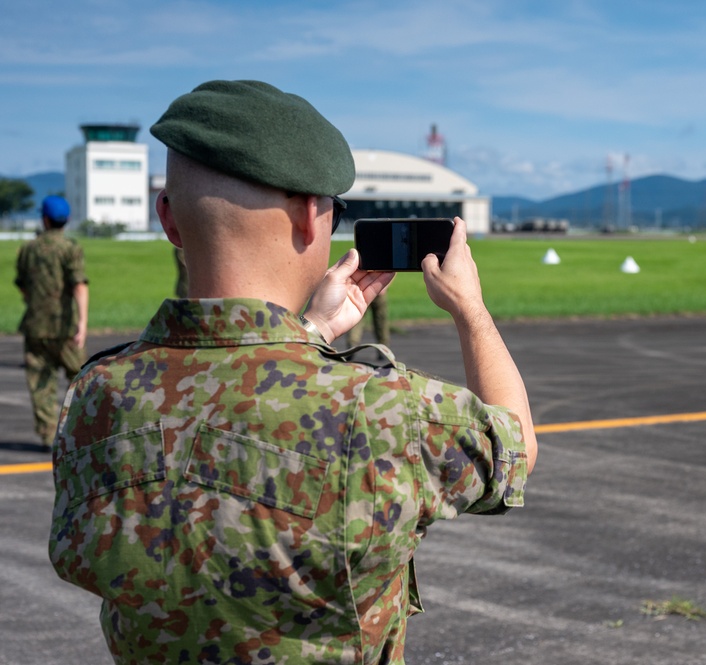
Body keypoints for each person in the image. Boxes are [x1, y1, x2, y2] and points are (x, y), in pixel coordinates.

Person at [49, 80, 537, 664]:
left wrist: (309, 335)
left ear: (169, 220)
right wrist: (472, 312)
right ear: (312, 216)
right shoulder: (378, 409)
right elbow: (515, 448)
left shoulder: (95, 395)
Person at [15, 194, 88, 451]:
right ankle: (83, 431)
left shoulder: (28, 248)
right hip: (65, 327)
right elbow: (79, 285)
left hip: (36, 326)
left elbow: (23, 286)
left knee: (41, 384)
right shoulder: (70, 248)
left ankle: (47, 437)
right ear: (65, 220)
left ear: (44, 219)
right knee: (82, 380)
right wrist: (83, 322)